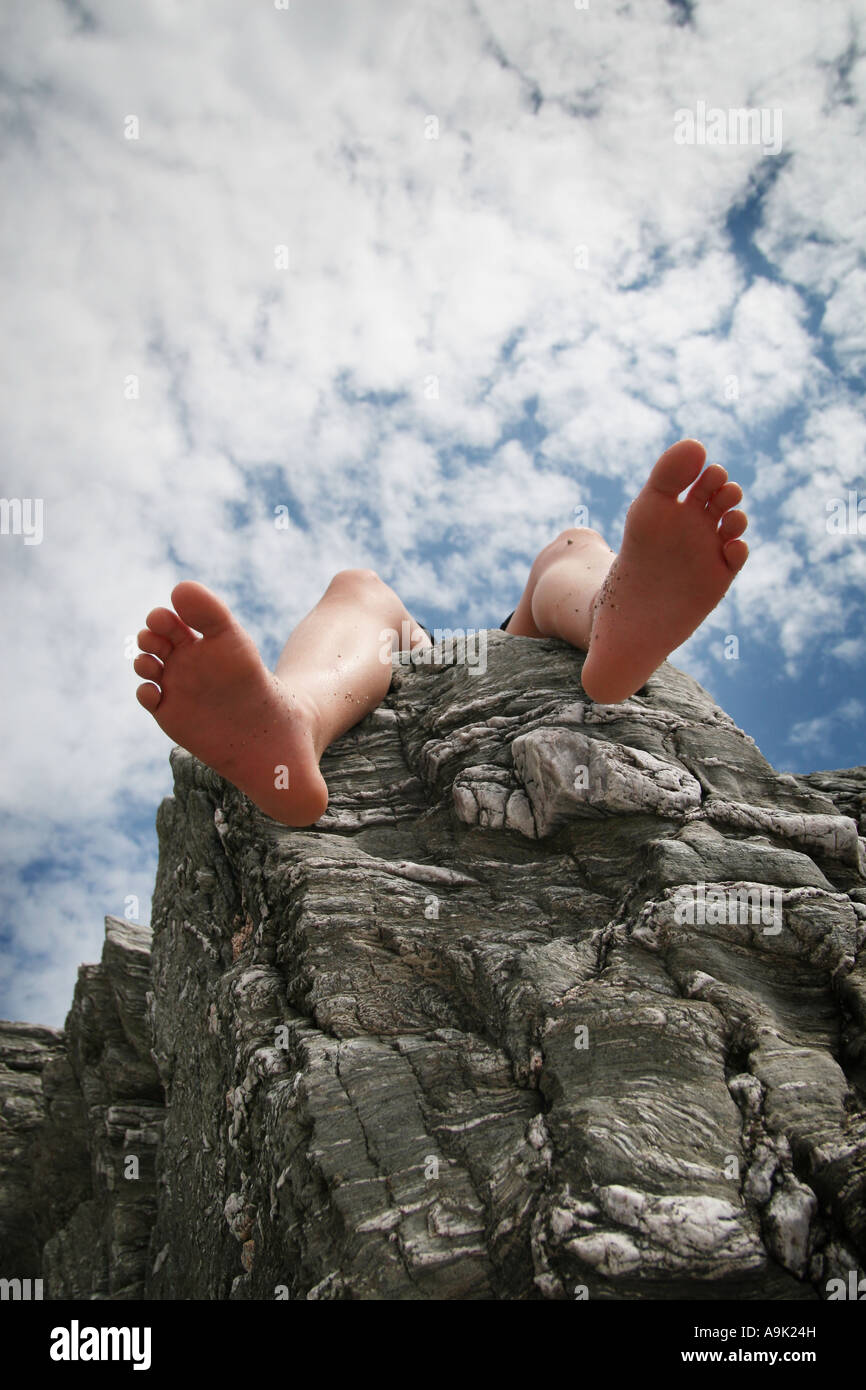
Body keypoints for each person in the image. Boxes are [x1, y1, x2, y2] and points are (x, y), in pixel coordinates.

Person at [134, 437, 748, 827]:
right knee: (370, 587)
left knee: (564, 546)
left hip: (505, 640)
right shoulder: (417, 643)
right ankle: (292, 719)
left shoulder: (434, 636)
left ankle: (610, 616)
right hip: (444, 653)